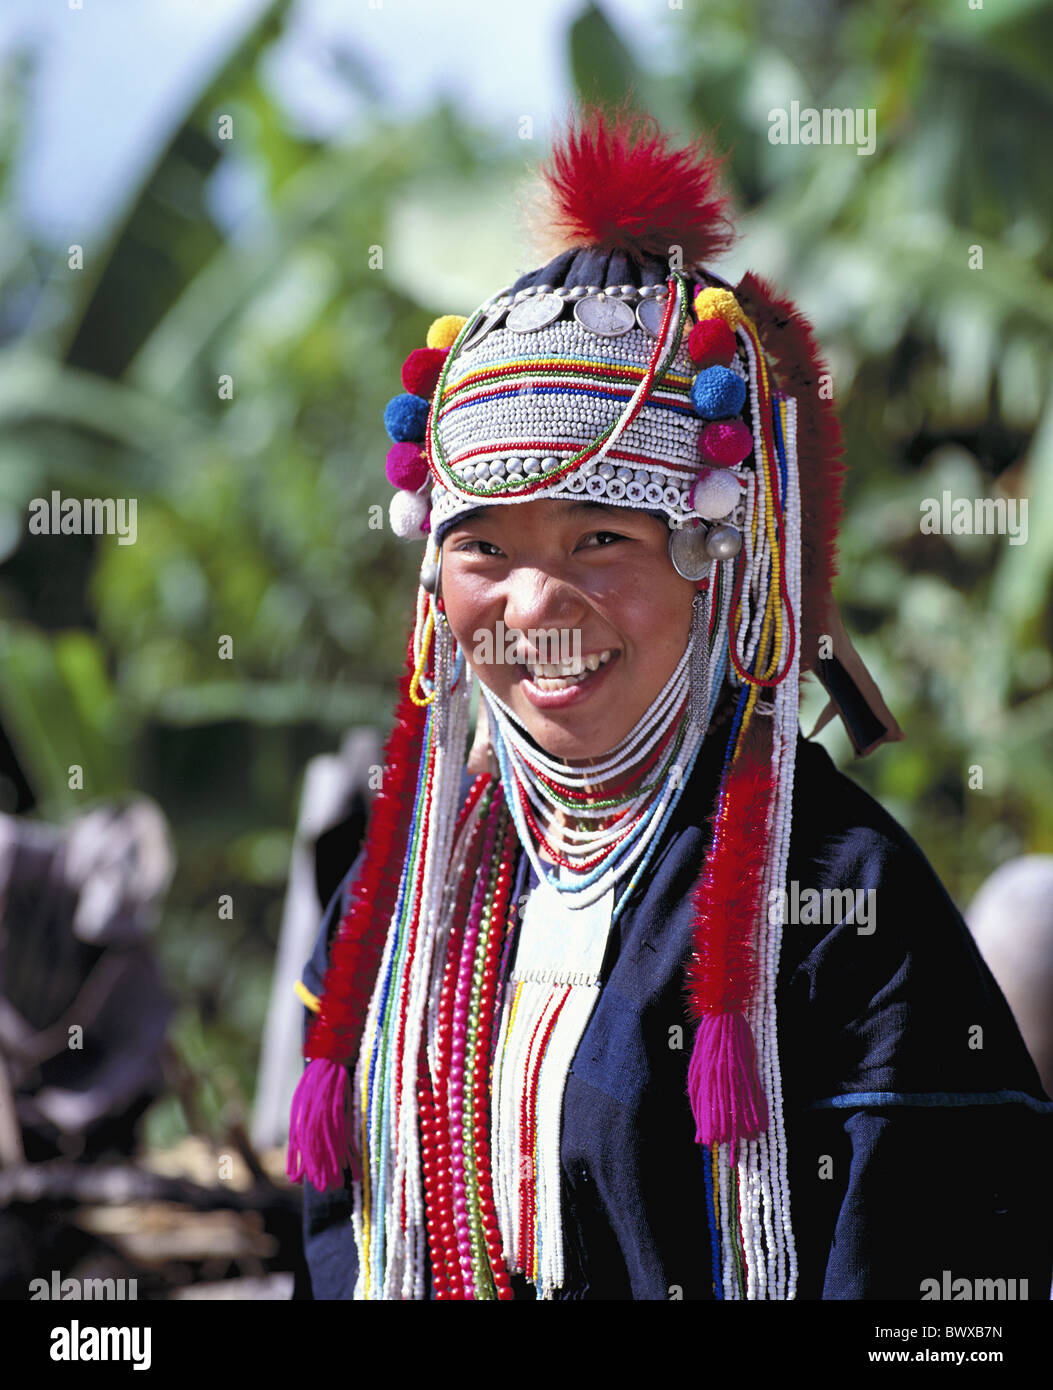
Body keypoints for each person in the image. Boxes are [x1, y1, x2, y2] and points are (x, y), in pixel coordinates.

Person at [286, 110, 1052, 1300]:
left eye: (601, 537)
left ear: (719, 561)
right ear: (434, 578)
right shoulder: (395, 910)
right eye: (483, 547)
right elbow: (343, 1246)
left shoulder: (841, 905)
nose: (536, 600)